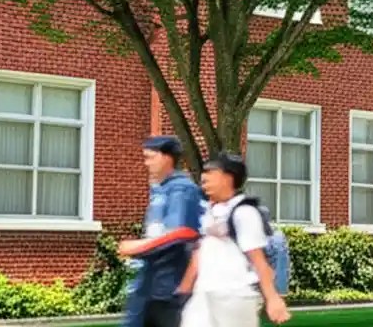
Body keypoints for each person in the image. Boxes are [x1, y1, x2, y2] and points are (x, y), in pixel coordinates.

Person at [178, 152, 291, 327]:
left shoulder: (244, 212)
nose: (204, 179)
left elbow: (259, 261)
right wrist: (183, 290)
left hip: (235, 297)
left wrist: (272, 298)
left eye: (211, 173)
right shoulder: (208, 212)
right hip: (204, 295)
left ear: (228, 178)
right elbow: (200, 253)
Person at [119, 136, 204, 327]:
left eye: (150, 157)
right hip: (148, 283)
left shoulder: (182, 189)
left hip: (169, 287)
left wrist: (138, 247)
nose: (146, 163)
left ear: (166, 158)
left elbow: (183, 233)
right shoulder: (160, 190)